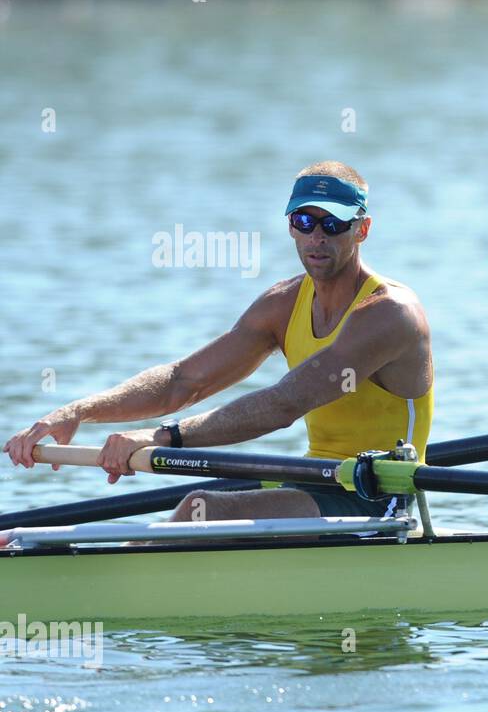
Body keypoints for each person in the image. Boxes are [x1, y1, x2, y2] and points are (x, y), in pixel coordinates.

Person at [4, 161, 434, 521]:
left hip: (378, 493)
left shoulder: (389, 314)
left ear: (362, 230)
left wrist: (159, 438)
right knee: (185, 507)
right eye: (305, 221)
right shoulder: (282, 305)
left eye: (334, 223)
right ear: (291, 226)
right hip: (316, 477)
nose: (317, 236)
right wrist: (79, 411)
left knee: (201, 508)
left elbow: (285, 404)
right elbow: (182, 382)